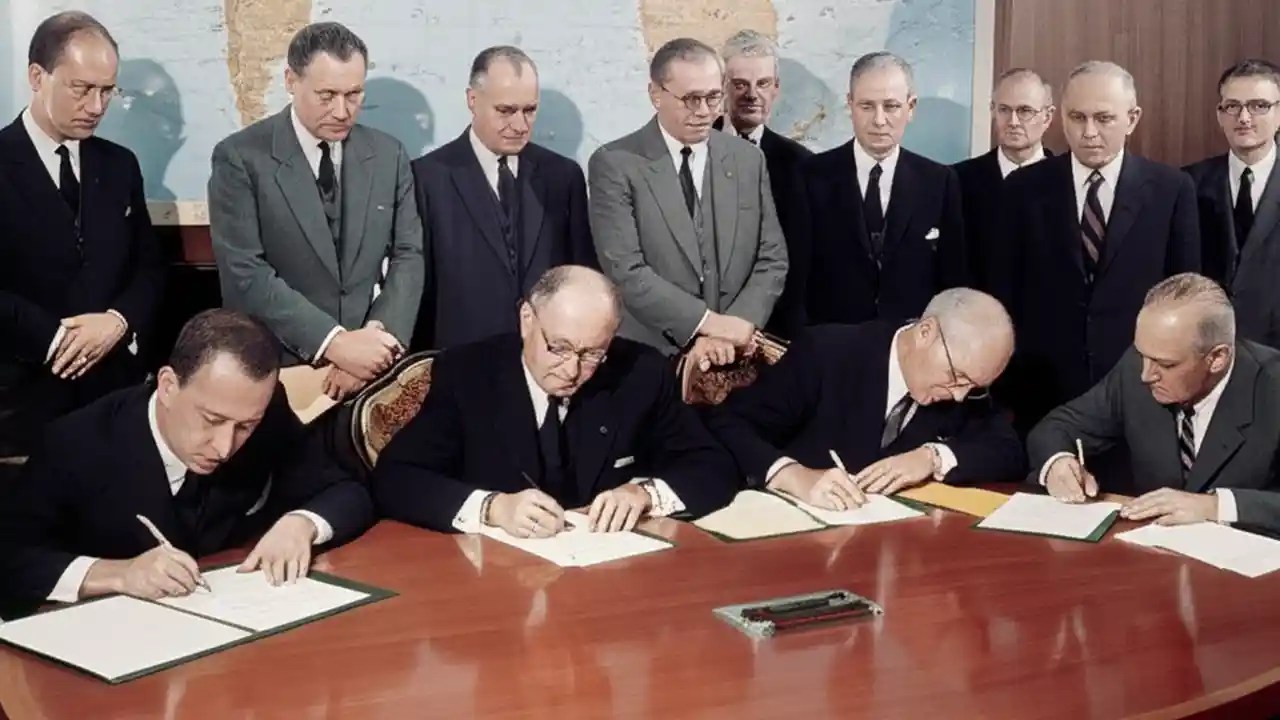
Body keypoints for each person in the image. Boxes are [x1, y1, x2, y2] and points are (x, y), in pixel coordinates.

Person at [0, 309, 374, 618]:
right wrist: (118, 574)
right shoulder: (77, 442)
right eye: (211, 420)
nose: (224, 447)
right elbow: (11, 559)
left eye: (245, 427)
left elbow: (346, 491)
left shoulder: (263, 411)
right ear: (168, 386)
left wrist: (301, 524)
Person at [372, 266, 738, 536]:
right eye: (558, 347)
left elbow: (713, 466)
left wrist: (643, 495)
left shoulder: (640, 373)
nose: (572, 370)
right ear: (526, 320)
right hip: (497, 579)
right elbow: (396, 478)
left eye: (592, 354)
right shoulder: (468, 374)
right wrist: (493, 507)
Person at [209, 22, 424, 402]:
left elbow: (409, 255)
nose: (342, 111)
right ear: (291, 81)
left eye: (354, 94)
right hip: (277, 374)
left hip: (372, 376)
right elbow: (245, 271)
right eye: (327, 96)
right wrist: (335, 344)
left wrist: (374, 345)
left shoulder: (389, 155)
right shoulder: (240, 158)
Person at [990, 61, 1200, 435]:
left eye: (1104, 118)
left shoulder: (1171, 190)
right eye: (1077, 117)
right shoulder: (1023, 189)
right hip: (1041, 391)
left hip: (1140, 387)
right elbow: (1004, 292)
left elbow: (1184, 298)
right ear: (1061, 117)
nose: (1089, 132)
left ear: (1132, 118)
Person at [0, 11, 163, 459]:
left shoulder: (121, 165)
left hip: (116, 399)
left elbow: (149, 267)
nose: (96, 106)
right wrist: (58, 340)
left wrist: (118, 321)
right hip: (20, 404)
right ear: (37, 76)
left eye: (107, 91)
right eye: (82, 89)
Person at [706, 288, 1024, 510]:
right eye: (957, 377)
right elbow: (729, 423)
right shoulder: (827, 353)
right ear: (925, 332)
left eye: (975, 387)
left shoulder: (966, 384)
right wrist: (792, 475)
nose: (959, 395)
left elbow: (1008, 450)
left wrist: (932, 457)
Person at [1029, 274, 1280, 536]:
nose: (1146, 375)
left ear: (1217, 358)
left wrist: (1214, 506)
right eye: (1142, 355)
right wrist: (1058, 462)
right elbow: (1057, 427)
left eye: (1167, 365)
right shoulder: (1140, 365)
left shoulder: (1273, 388)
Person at [588, 37, 787, 364]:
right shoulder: (615, 163)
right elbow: (626, 270)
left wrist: (739, 324)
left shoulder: (748, 160)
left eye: (713, 97)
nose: (705, 112)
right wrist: (710, 325)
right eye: (691, 99)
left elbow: (772, 257)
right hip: (650, 358)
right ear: (656, 94)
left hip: (735, 357)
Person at [409, 46, 594, 351]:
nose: (520, 125)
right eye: (506, 111)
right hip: (460, 360)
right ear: (472, 100)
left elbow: (582, 277)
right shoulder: (426, 178)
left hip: (548, 358)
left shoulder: (564, 176)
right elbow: (415, 286)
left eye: (529, 110)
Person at [794, 51, 967, 327]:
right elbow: (796, 275)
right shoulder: (811, 176)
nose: (879, 120)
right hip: (831, 341)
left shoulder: (940, 181)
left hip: (910, 343)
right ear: (850, 105)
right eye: (867, 106)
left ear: (911, 107)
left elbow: (952, 279)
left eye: (891, 106)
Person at [712, 30, 813, 337]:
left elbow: (800, 263)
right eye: (740, 84)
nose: (752, 95)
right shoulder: (691, 150)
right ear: (722, 86)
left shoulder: (802, 165)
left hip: (775, 333)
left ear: (776, 88)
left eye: (763, 84)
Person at [1184, 59, 1280, 347]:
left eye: (1259, 105)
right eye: (1232, 106)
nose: (1244, 117)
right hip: (1207, 347)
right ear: (1220, 114)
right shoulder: (1187, 183)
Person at [953, 68, 1055, 292]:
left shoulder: (1067, 182)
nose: (1013, 121)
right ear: (992, 111)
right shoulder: (958, 180)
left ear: (1047, 117)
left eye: (1025, 111)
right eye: (1004, 110)